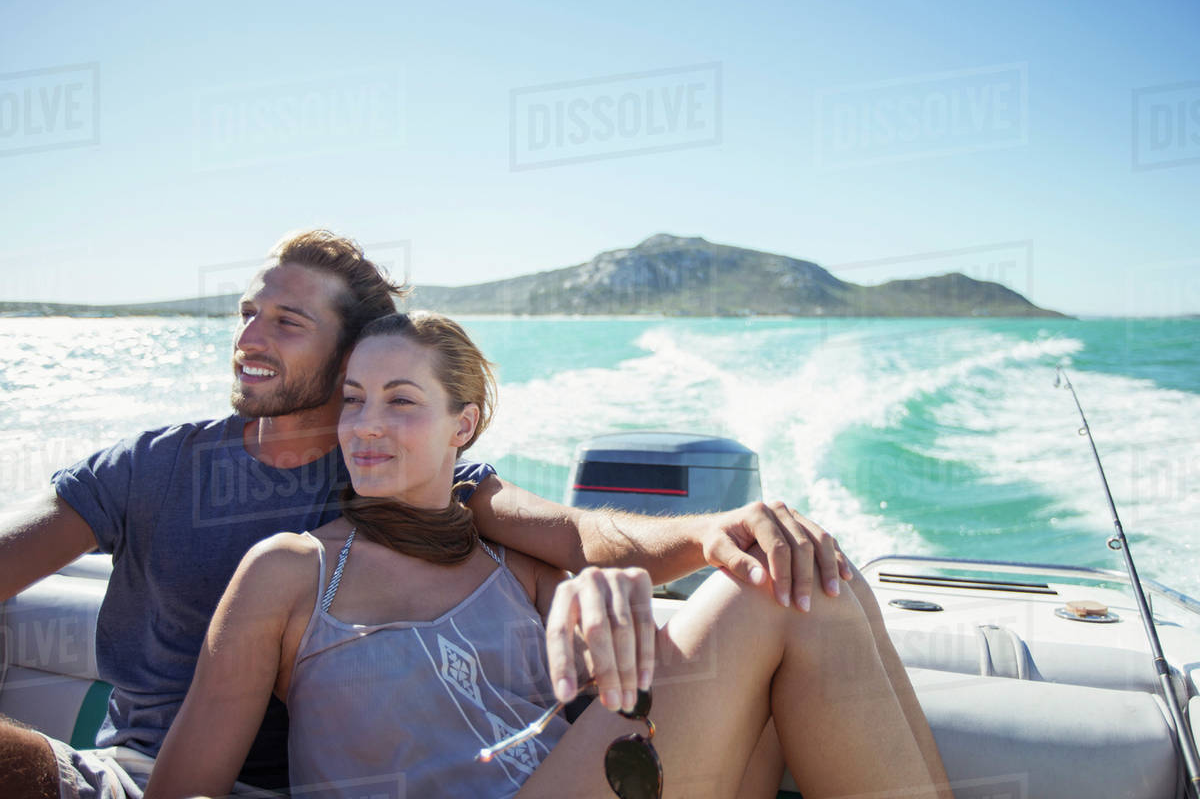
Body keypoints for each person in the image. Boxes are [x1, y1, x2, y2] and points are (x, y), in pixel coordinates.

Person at [0, 230, 880, 799]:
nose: (250, 337)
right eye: (246, 315)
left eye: (286, 321)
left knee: (787, 584)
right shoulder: (155, 466)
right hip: (132, 768)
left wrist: (699, 538)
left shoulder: (439, 489)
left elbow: (575, 537)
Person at [145, 311, 949, 799]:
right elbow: (185, 789)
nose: (365, 426)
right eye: (354, 400)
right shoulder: (291, 571)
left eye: (401, 402)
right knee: (772, 587)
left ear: (462, 425)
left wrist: (603, 604)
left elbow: (592, 555)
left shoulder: (510, 561)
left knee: (815, 570)